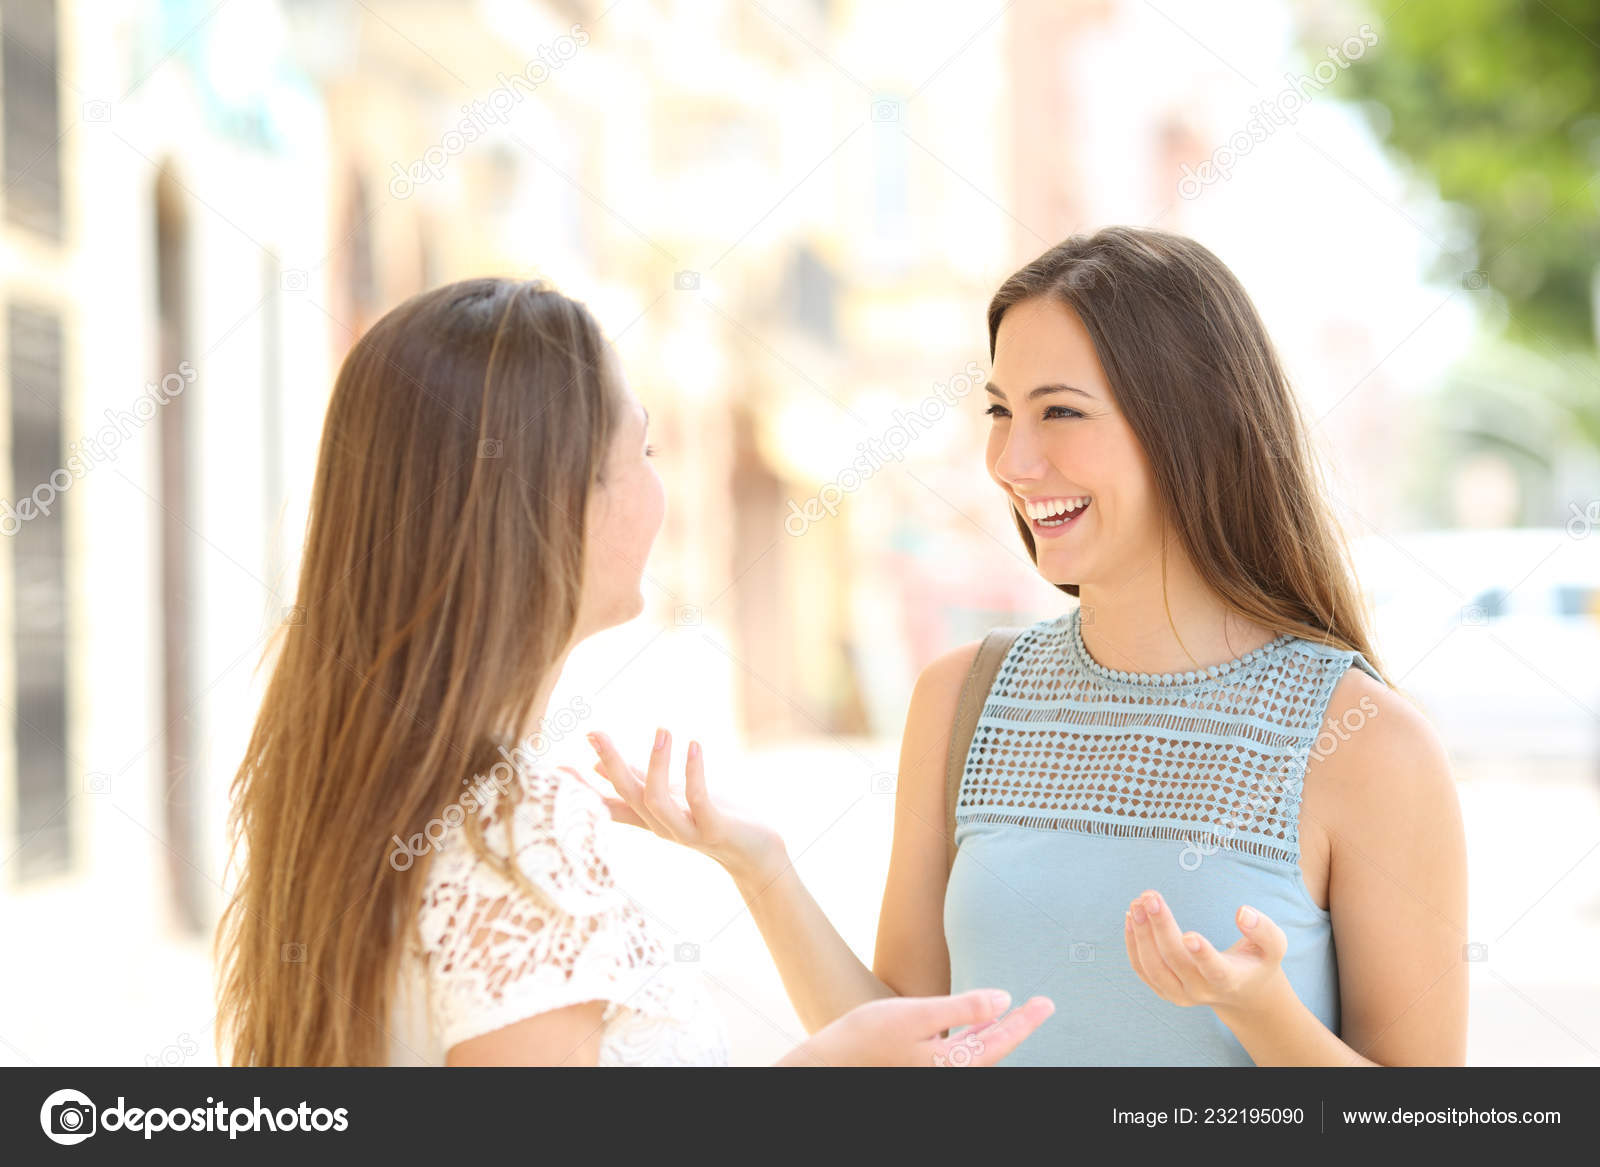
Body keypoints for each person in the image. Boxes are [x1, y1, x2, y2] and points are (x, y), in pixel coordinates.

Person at [592, 226, 1469, 1066]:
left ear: (1196, 426)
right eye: (1001, 411)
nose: (1012, 460)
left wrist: (1261, 1010)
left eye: (1060, 412)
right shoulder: (963, 698)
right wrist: (759, 866)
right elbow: (904, 1051)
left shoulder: (1369, 745)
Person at [212, 278, 1054, 1066]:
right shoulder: (515, 827)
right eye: (643, 448)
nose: (661, 489)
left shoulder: (351, 787)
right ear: (551, 499)